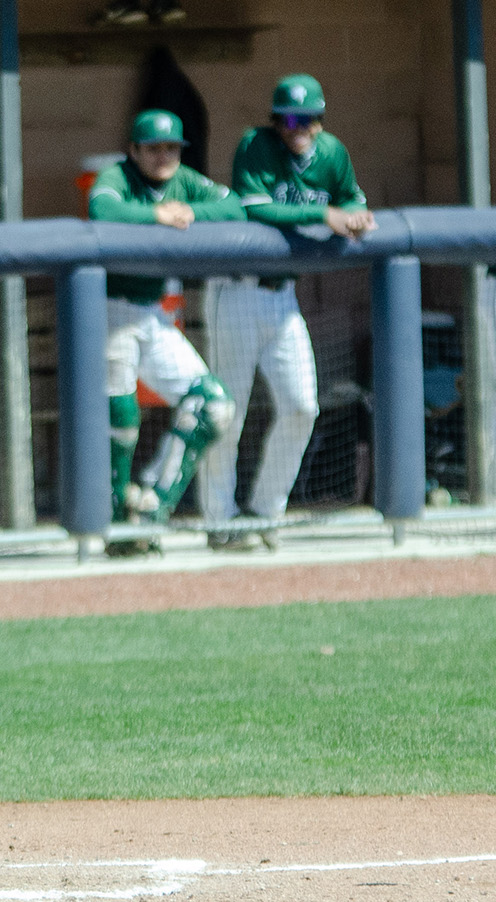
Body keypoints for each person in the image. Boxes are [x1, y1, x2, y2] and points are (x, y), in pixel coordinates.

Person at [200, 74, 373, 551]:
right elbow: (254, 208)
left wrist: (353, 214)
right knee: (226, 412)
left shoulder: (332, 152)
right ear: (276, 120)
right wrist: (323, 216)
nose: (298, 127)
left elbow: (351, 198)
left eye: (308, 118)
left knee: (301, 407)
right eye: (289, 119)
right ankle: (220, 521)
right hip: (235, 291)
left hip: (282, 297)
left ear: (320, 121)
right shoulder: (255, 145)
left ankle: (264, 511)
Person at [85, 110, 239, 555]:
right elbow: (102, 206)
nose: (163, 156)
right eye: (153, 148)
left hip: (152, 314)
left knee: (213, 405)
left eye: (171, 148)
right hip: (109, 310)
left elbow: (231, 205)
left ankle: (151, 502)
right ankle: (116, 524)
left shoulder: (184, 178)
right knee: (122, 419)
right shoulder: (117, 175)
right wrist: (157, 214)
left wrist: (186, 210)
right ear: (134, 150)